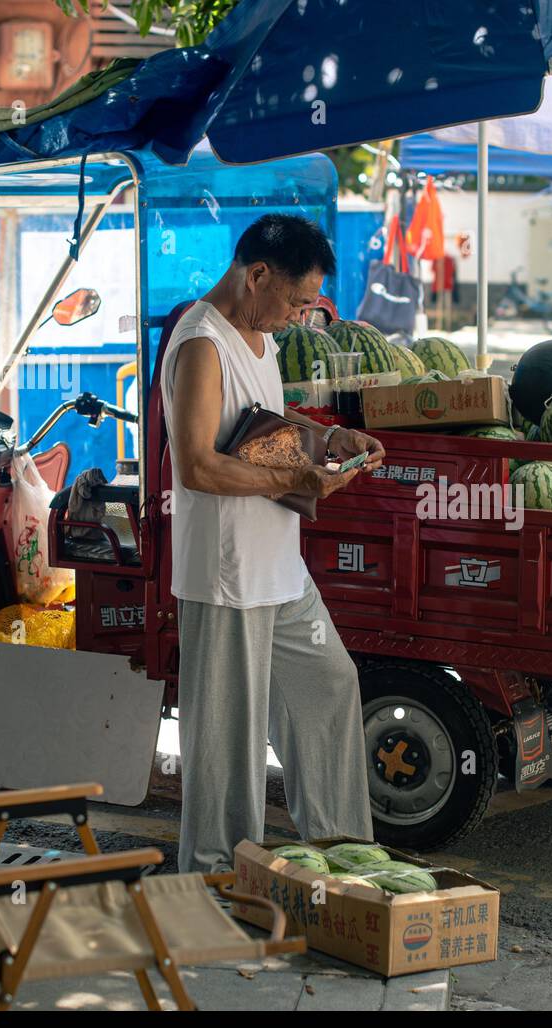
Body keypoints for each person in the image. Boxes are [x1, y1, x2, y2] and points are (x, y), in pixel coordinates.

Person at [160, 213, 385, 873]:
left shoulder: (260, 340)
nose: (295, 316)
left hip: (280, 572)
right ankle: (216, 879)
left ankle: (342, 856)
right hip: (227, 578)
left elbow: (257, 428)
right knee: (227, 746)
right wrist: (296, 473)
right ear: (255, 275)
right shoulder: (201, 342)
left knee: (329, 687)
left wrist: (328, 441)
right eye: (292, 301)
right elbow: (197, 465)